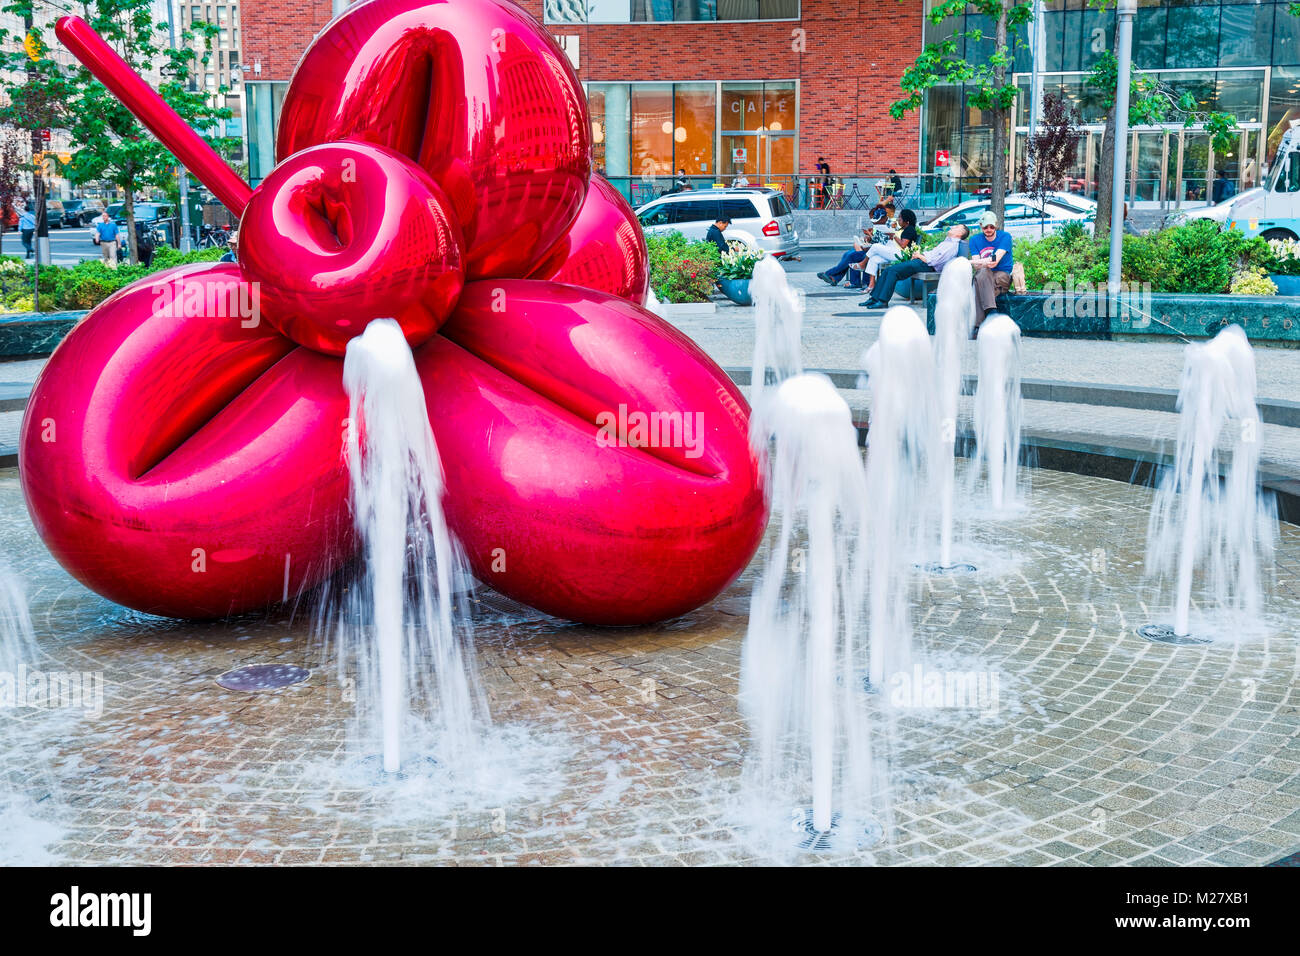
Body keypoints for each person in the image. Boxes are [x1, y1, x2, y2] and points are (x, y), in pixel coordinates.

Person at [860, 223, 970, 309]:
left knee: (893, 271)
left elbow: (935, 261)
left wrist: (920, 256)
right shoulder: (948, 242)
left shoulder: (952, 246)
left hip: (928, 266)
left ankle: (883, 301)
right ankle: (874, 298)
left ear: (960, 233)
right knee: (888, 270)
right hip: (923, 262)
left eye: (957, 227)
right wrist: (919, 255)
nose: (953, 227)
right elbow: (933, 255)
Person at [970, 210, 1013, 334]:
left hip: (1002, 275)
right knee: (983, 273)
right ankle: (992, 313)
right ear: (980, 226)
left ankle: (977, 326)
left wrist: (968, 262)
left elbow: (994, 261)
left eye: (991, 226)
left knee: (978, 285)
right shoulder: (974, 240)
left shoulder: (1005, 237)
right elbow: (978, 266)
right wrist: (981, 262)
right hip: (984, 276)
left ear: (996, 225)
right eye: (985, 227)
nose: (988, 229)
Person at [855, 225, 919, 294]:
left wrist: (893, 236)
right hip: (891, 250)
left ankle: (863, 264)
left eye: (900, 219)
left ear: (906, 222)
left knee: (875, 246)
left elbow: (903, 245)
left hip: (901, 254)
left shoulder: (908, 229)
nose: (898, 220)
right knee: (874, 258)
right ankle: (871, 285)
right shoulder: (898, 228)